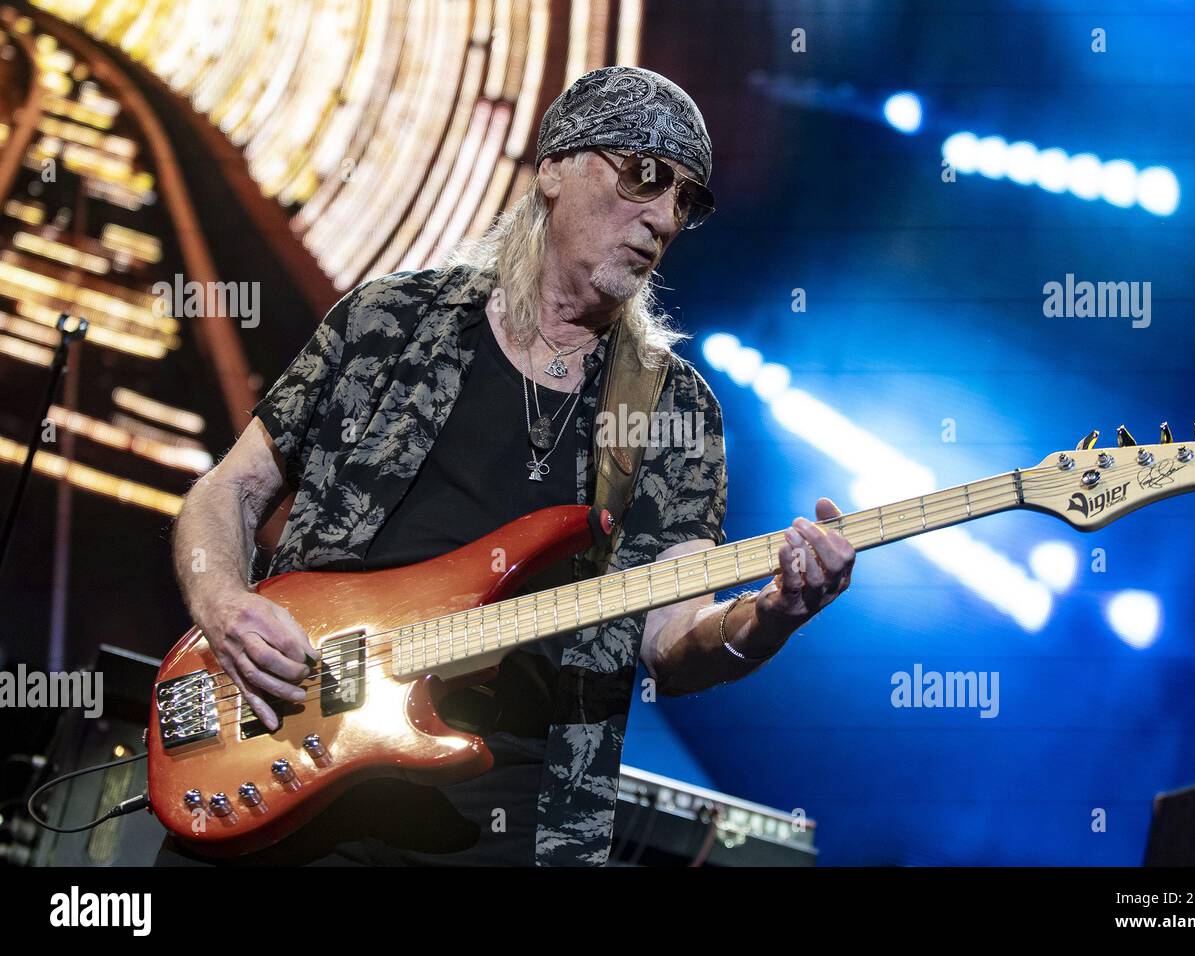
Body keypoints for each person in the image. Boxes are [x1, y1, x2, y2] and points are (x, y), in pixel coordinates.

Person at [156, 66, 855, 867]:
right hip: (286, 746)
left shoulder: (673, 408)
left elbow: (671, 632)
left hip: (501, 819)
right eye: (645, 176)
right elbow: (232, 488)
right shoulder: (391, 320)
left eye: (684, 201)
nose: (662, 217)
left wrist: (772, 616)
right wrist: (222, 602)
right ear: (553, 168)